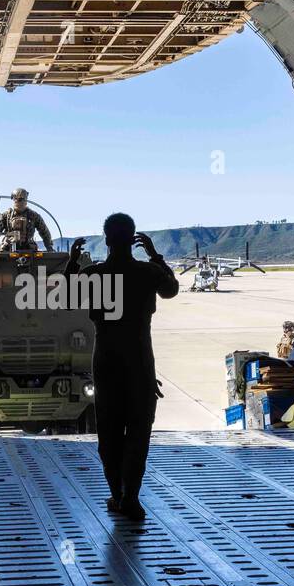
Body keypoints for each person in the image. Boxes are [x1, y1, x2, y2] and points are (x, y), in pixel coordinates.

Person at [67, 214, 179, 520]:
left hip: (106, 360)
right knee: (139, 431)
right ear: (133, 240)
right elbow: (171, 289)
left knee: (110, 431)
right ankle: (131, 497)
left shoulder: (95, 274)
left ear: (105, 239)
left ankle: (118, 495)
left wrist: (72, 263)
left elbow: (65, 299)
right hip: (141, 359)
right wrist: (156, 255)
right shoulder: (148, 271)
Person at [0, 187, 54, 252]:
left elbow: (44, 232)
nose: (20, 202)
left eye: (22, 199)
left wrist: (49, 247)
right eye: (17, 199)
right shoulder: (6, 216)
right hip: (8, 248)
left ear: (26, 200)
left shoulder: (33, 215)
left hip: (28, 249)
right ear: (14, 200)